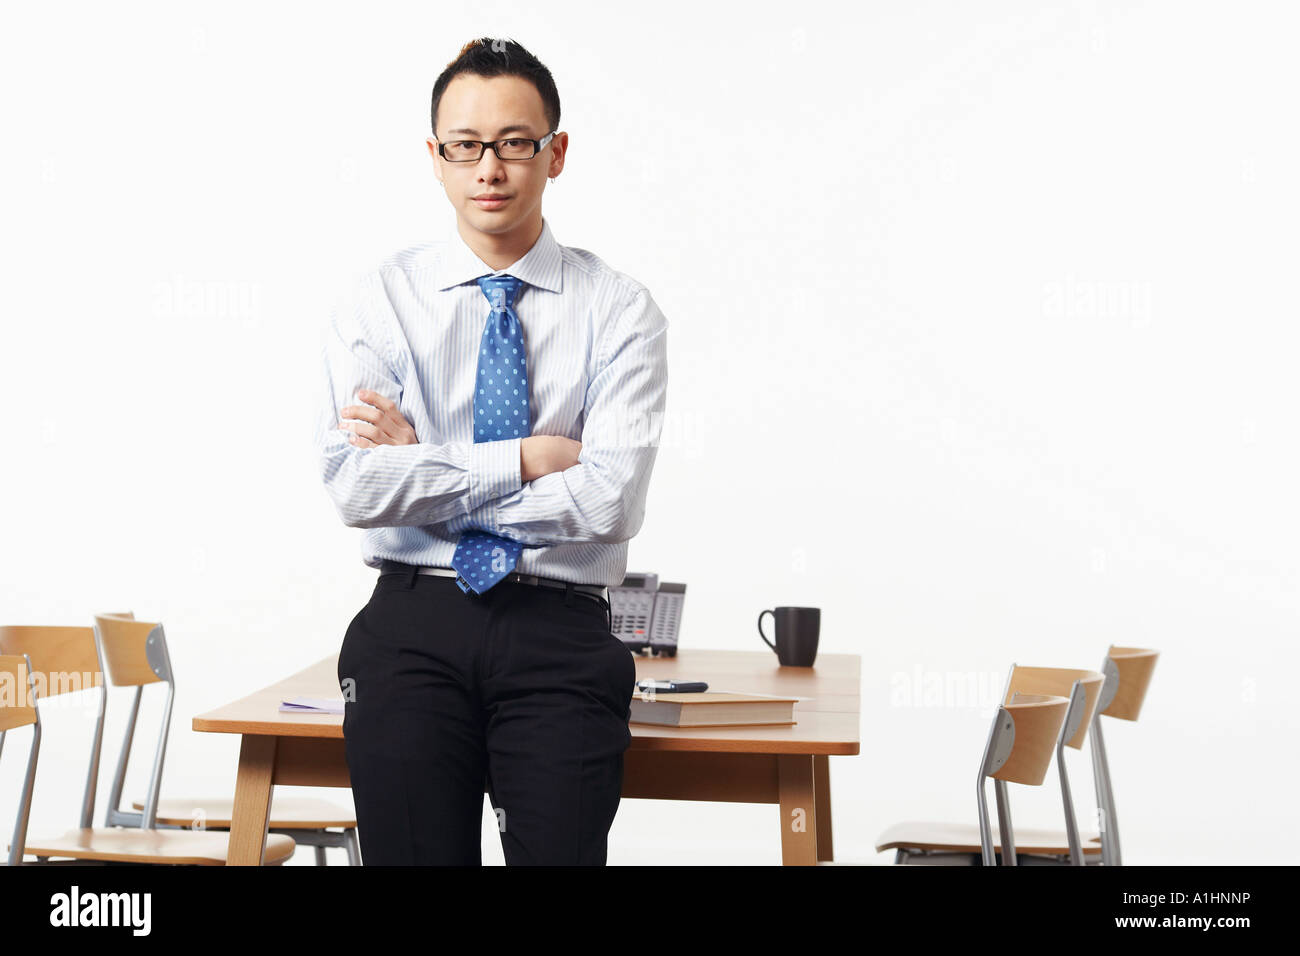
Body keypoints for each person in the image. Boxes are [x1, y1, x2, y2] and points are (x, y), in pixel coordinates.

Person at [313, 37, 668, 865]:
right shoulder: (381, 300)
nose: (491, 169)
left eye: (515, 143)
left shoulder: (619, 310)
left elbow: (612, 502)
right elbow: (359, 488)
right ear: (435, 158)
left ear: (556, 153)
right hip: (410, 624)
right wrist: (529, 458)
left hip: (561, 631)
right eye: (466, 146)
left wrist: (425, 463)